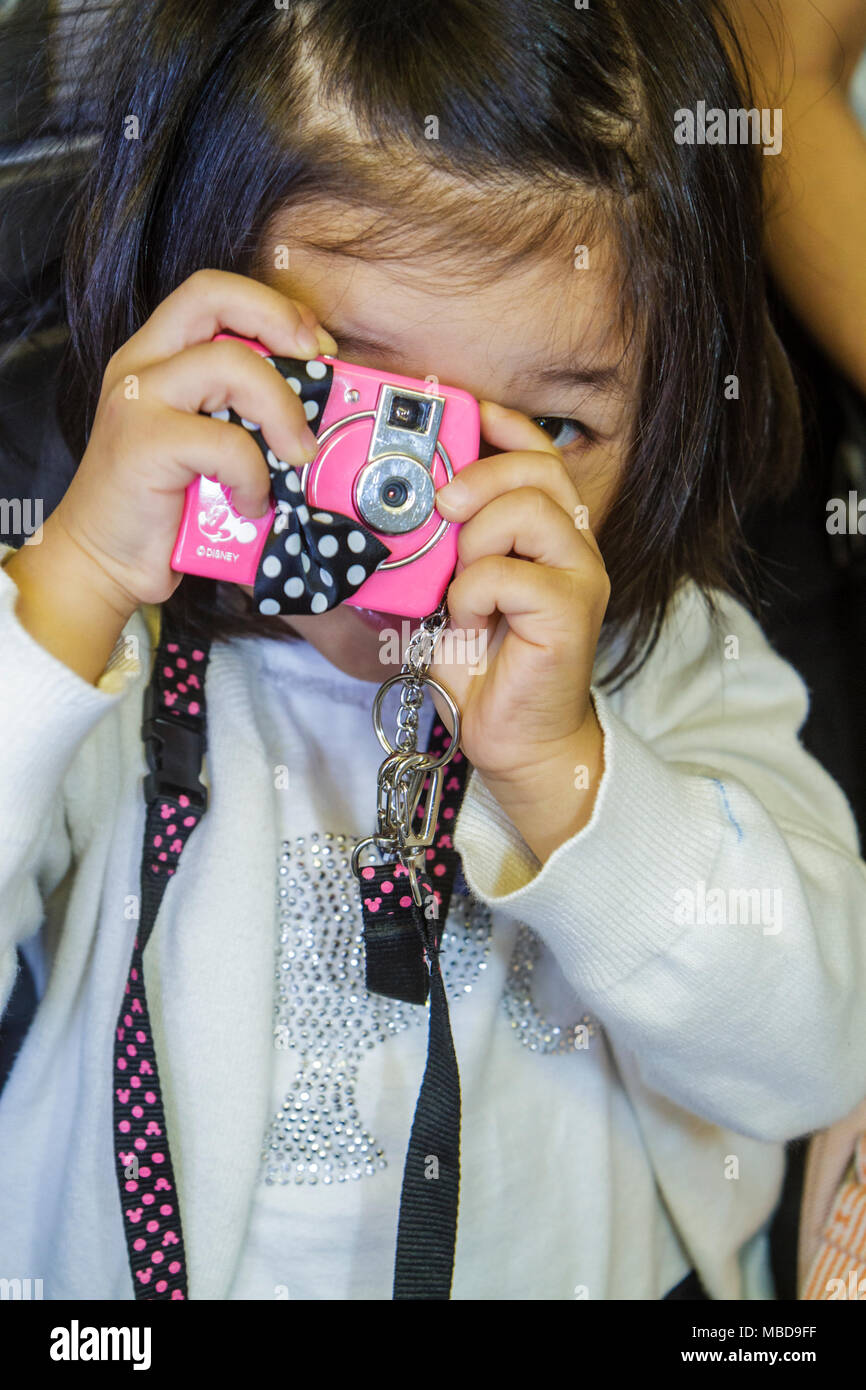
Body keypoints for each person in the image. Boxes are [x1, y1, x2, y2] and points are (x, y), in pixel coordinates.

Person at [1, 0, 865, 1302]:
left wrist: (569, 774)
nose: (429, 503)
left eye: (551, 427)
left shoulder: (669, 660)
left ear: (671, 405)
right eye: (360, 400)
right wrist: (67, 590)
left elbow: (812, 1056)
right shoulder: (95, 645)